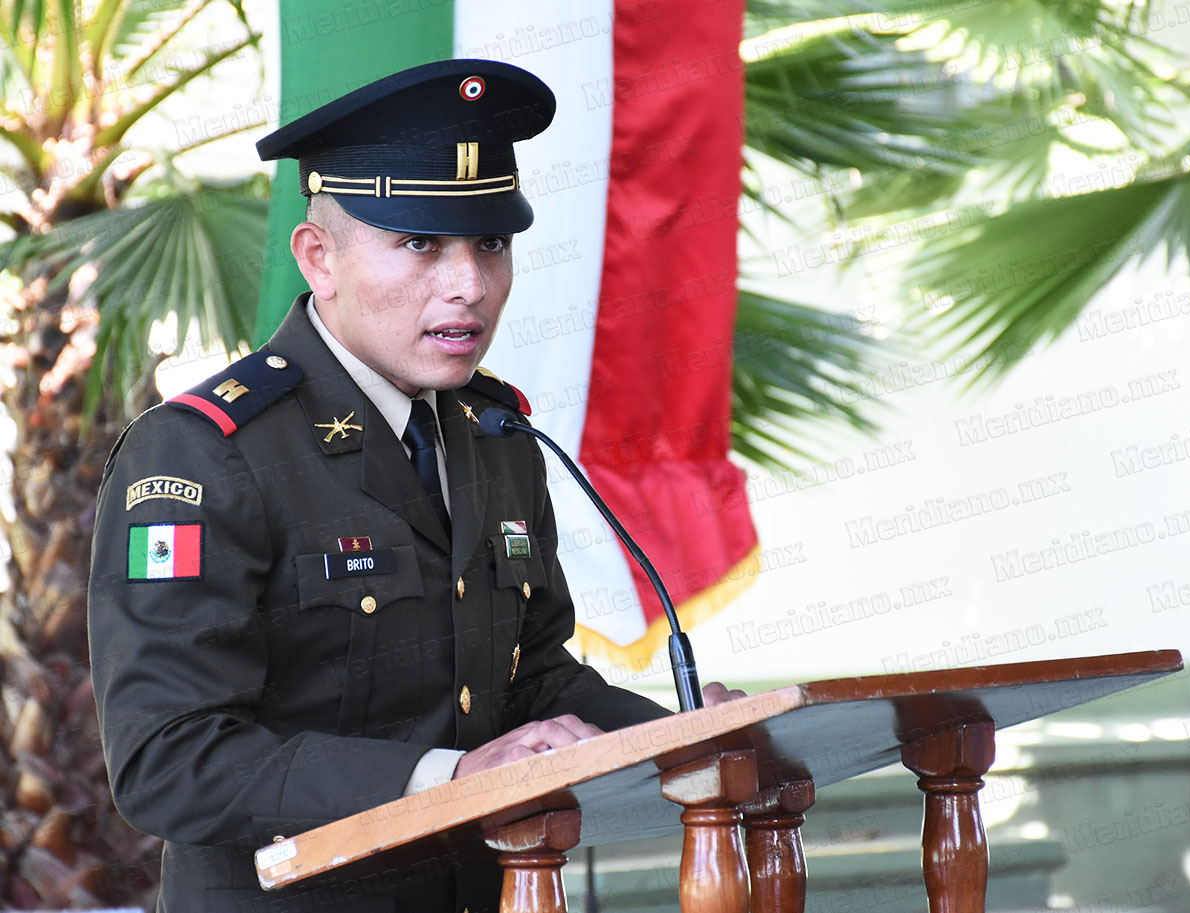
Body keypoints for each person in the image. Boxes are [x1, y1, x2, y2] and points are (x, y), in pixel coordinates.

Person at [88, 59, 739, 913]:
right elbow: (167, 759)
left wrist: (674, 735)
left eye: (492, 243)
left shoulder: (496, 433)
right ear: (318, 256)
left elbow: (532, 680)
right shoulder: (201, 455)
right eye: (421, 243)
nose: (469, 284)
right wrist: (450, 776)